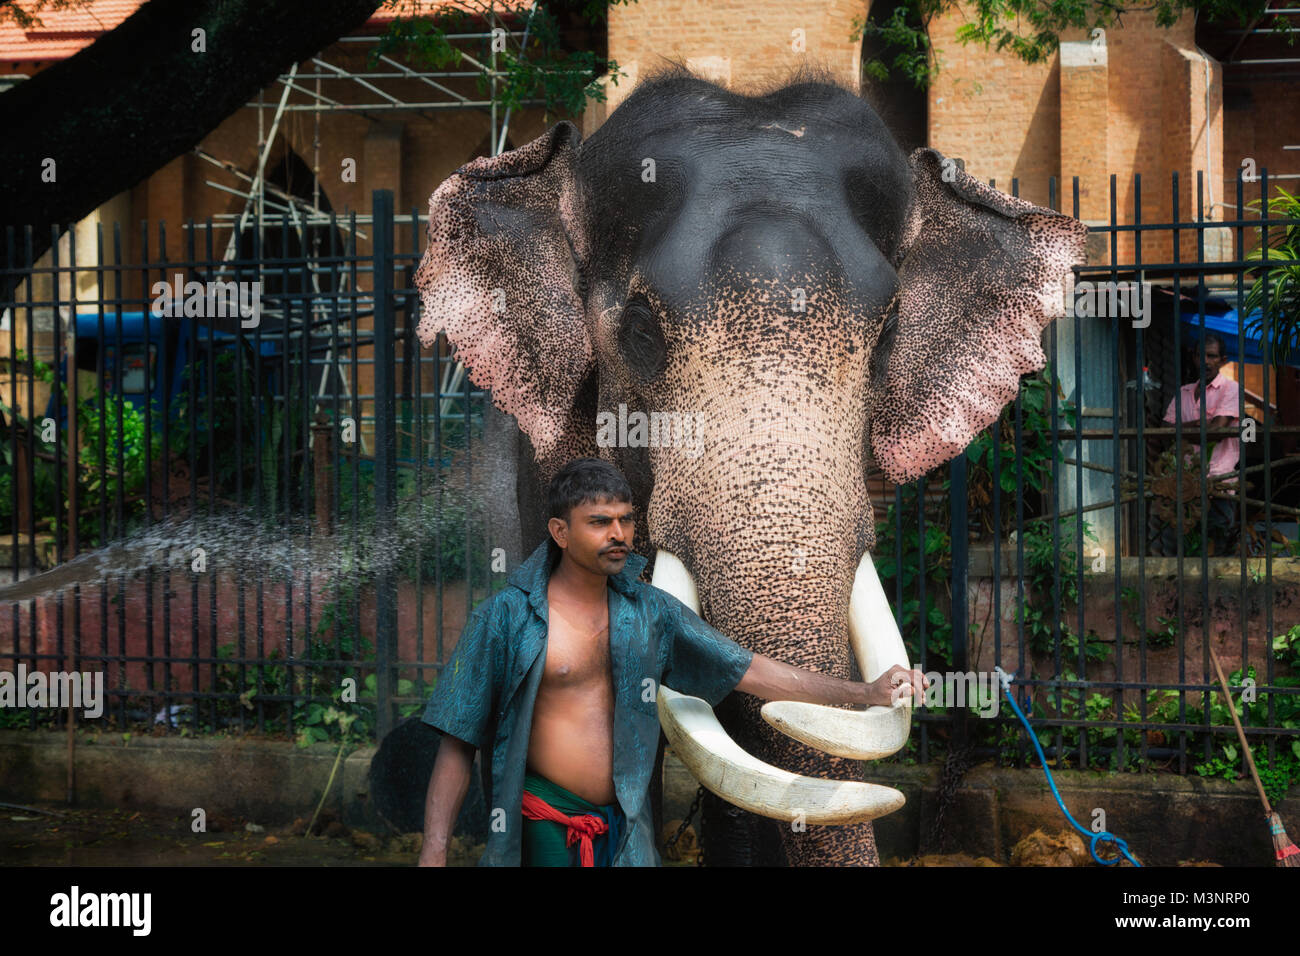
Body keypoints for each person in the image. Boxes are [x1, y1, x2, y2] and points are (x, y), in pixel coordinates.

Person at [417, 457, 927, 867]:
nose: (619, 534)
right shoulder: (505, 617)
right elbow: (458, 740)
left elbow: (749, 670)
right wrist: (433, 852)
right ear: (560, 531)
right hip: (542, 824)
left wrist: (865, 692)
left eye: (626, 519)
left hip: (626, 830)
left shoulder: (652, 612)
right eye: (599, 522)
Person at [1159, 331, 1244, 555]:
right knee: (1181, 550)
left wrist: (1181, 429)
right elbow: (1163, 431)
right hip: (1183, 484)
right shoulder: (1183, 392)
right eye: (1200, 355)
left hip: (1218, 484)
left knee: (1218, 548)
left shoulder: (1231, 389)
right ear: (1194, 357)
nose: (1205, 361)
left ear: (1223, 360)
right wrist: (1197, 424)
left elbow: (1216, 432)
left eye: (1212, 356)